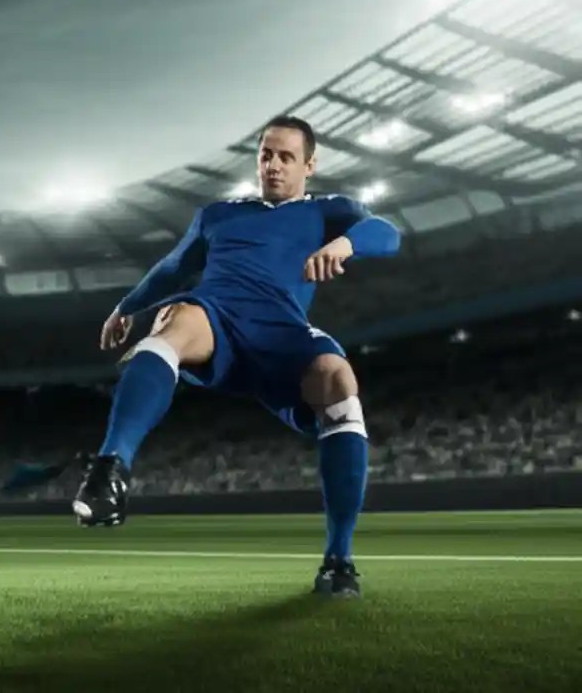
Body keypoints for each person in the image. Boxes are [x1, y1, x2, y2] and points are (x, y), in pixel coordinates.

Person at [79, 115, 400, 597]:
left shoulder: (328, 211)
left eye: (286, 157)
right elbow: (172, 269)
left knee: (338, 381)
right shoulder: (217, 215)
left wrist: (346, 242)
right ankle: (109, 471)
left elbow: (388, 232)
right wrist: (126, 307)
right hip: (217, 320)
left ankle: (339, 561)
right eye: (266, 155)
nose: (272, 165)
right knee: (173, 320)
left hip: (282, 335)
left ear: (309, 166)